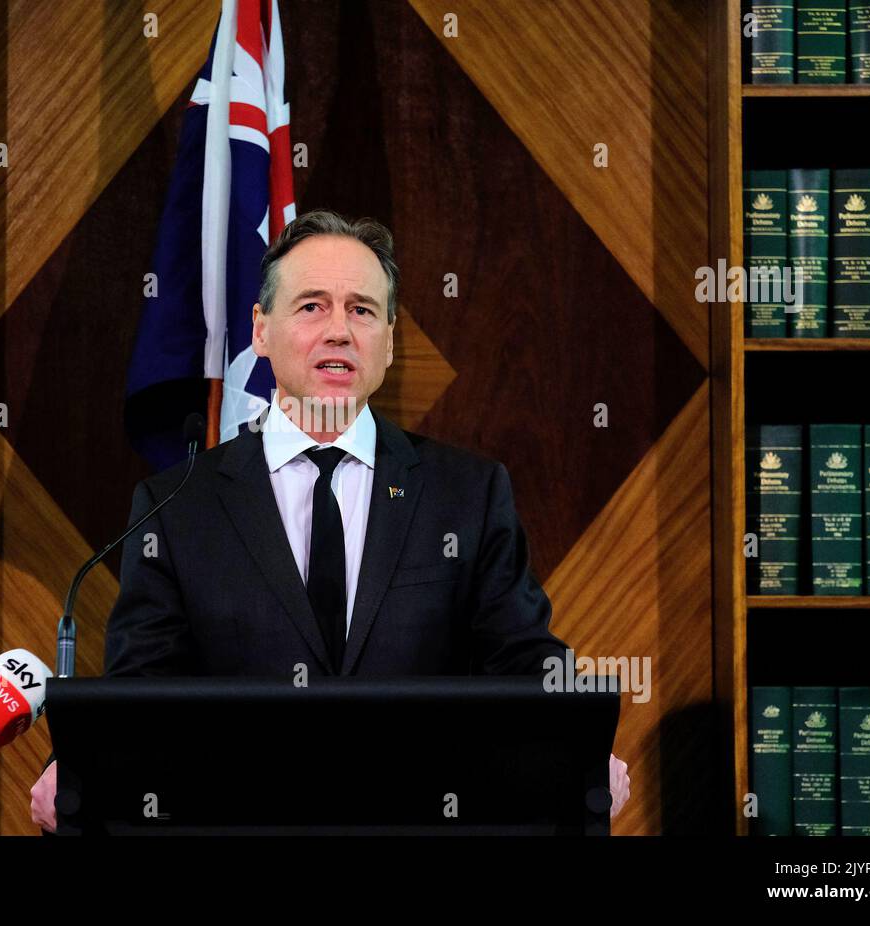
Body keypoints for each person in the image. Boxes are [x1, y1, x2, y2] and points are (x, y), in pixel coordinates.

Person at [31, 210, 630, 831]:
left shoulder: (467, 493)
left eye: (363, 310)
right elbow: (139, 697)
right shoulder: (176, 505)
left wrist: (580, 752)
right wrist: (77, 772)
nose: (339, 330)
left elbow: (525, 662)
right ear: (260, 330)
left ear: (390, 342)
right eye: (312, 306)